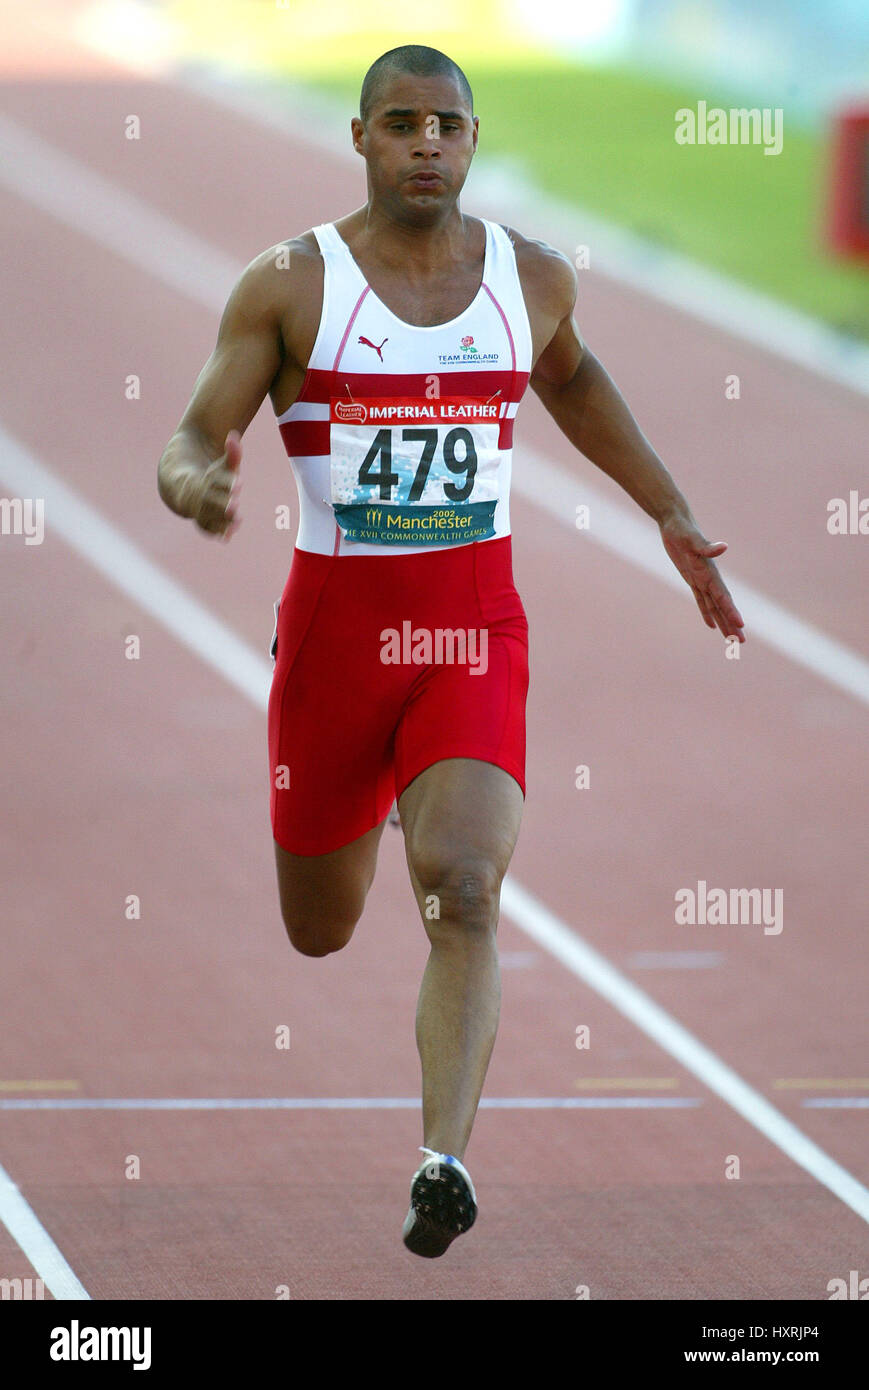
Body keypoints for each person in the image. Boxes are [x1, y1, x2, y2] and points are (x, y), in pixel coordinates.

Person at [157, 44, 745, 1259]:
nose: (427, 141)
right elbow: (191, 429)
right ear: (362, 140)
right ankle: (374, 795)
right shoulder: (289, 285)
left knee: (465, 891)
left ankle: (442, 1160)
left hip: (472, 633)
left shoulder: (527, 280)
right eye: (402, 122)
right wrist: (194, 481)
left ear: (473, 142)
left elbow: (574, 386)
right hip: (333, 644)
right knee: (318, 931)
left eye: (448, 124)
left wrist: (669, 511)